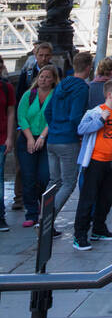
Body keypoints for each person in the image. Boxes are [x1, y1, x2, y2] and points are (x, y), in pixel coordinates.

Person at [73, 79, 112, 249]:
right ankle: (79, 234)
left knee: (106, 198)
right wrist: (100, 120)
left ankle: (99, 228)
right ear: (109, 94)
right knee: (88, 198)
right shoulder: (95, 112)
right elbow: (81, 129)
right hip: (95, 161)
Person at [45, 51, 93, 225]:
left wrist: (55, 128)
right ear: (88, 68)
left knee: (54, 181)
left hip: (53, 139)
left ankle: (43, 217)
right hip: (68, 140)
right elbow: (75, 117)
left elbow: (48, 111)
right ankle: (46, 220)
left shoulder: (61, 84)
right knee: (68, 183)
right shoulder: (82, 88)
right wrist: (80, 134)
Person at [17, 63, 59, 226]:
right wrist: (29, 138)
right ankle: (31, 213)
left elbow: (53, 117)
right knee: (28, 177)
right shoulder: (29, 95)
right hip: (27, 138)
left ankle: (44, 210)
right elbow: (21, 117)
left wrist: (42, 136)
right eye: (41, 76)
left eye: (48, 77)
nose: (43, 80)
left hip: (46, 138)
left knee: (44, 176)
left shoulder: (55, 96)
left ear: (53, 80)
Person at [0, 61, 15, 231]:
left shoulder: (6, 87)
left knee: (0, 178)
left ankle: (0, 216)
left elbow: (11, 113)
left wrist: (10, 137)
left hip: (1, 138)